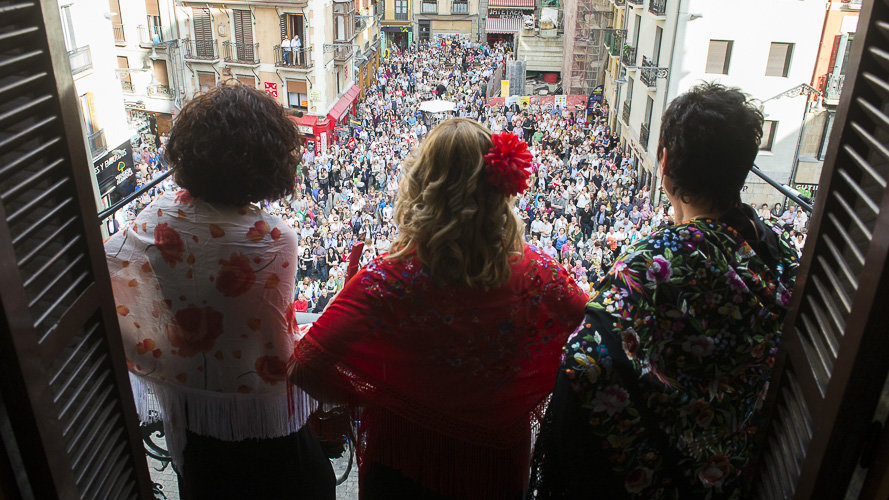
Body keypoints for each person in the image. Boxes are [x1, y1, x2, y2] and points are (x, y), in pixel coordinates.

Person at [291, 118, 588, 499]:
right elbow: (590, 342)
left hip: (401, 465)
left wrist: (381, 392)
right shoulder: (542, 274)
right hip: (494, 472)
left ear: (422, 187)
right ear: (500, 189)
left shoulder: (389, 276)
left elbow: (305, 364)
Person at [529, 83, 800, 498]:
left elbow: (584, 364)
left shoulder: (653, 263)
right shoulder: (779, 253)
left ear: (665, 162)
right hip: (745, 474)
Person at [105, 84, 334, 498]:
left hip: (197, 423)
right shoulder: (274, 236)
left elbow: (107, 271)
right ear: (267, 162)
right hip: (269, 426)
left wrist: (164, 348)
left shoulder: (155, 217)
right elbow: (273, 333)